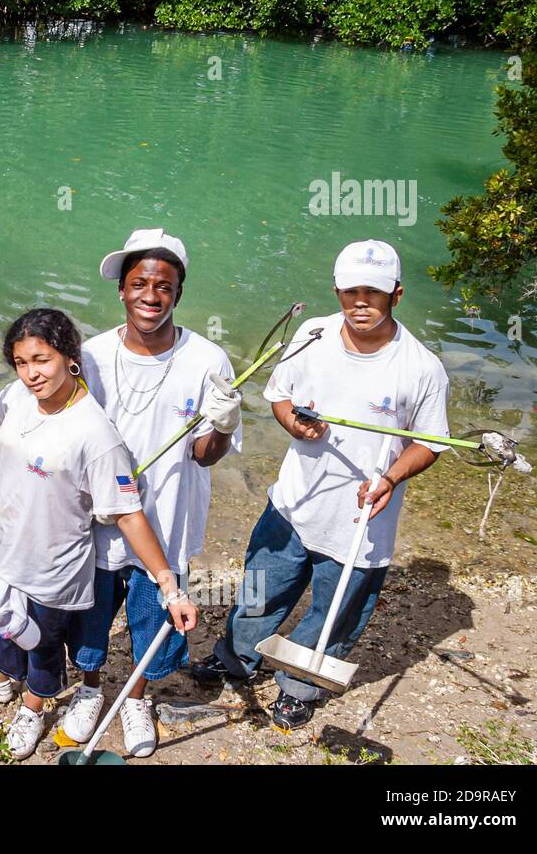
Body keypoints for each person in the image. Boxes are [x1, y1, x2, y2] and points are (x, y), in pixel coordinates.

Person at [189, 239, 451, 730]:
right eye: (351, 290)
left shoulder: (421, 367)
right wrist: (293, 423)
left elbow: (431, 442)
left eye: (373, 292)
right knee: (260, 591)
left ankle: (299, 686)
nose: (360, 303)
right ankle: (236, 659)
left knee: (336, 612)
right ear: (336, 289)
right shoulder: (312, 334)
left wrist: (392, 475)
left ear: (397, 294)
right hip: (293, 501)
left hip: (362, 520)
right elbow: (281, 397)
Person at [0, 307, 198, 759]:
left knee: (42, 642)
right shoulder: (16, 398)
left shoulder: (95, 433)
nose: (31, 374)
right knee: (8, 624)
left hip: (55, 565)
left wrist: (168, 583)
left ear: (70, 358)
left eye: (42, 360)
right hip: (8, 549)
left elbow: (129, 514)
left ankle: (34, 708)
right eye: (21, 362)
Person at [63, 229, 242, 757]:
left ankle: (136, 696)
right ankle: (91, 692)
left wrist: (225, 425)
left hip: (167, 520)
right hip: (99, 522)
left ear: (178, 293)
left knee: (150, 616)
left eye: (163, 286)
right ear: (121, 289)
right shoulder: (89, 357)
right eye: (139, 283)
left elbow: (206, 454)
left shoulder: (209, 360)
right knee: (90, 618)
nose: (150, 295)